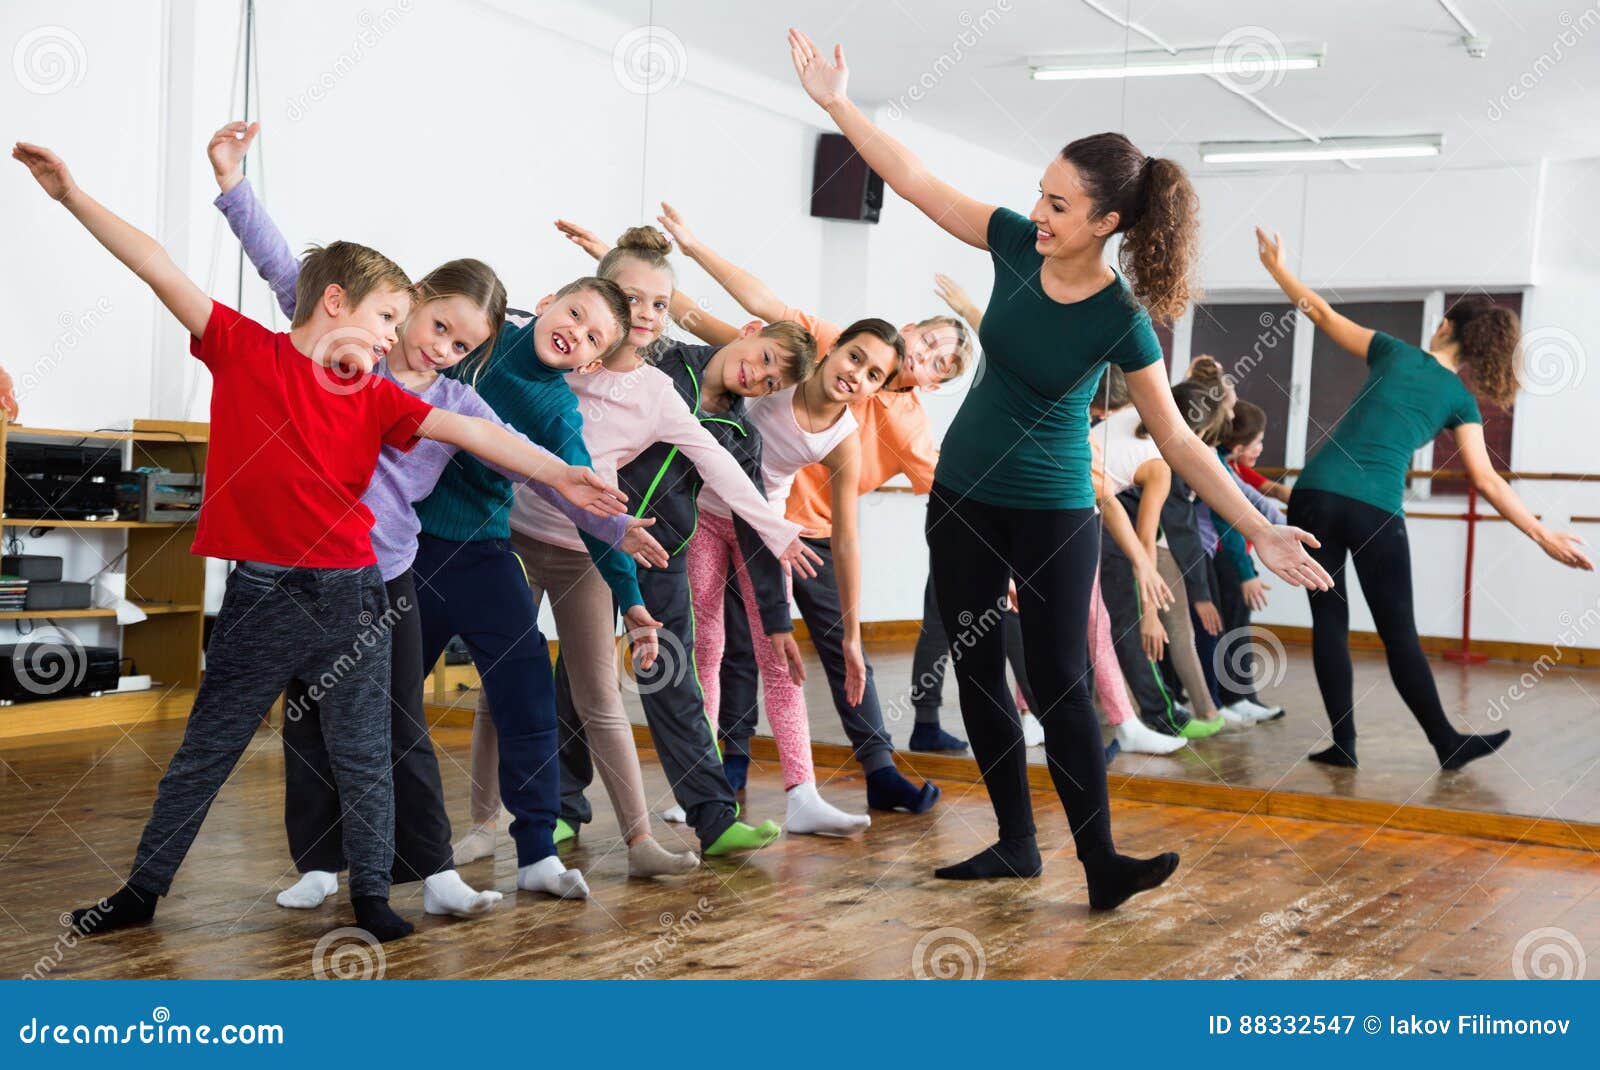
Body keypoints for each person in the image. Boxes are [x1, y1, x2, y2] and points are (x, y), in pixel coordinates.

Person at [15, 141, 616, 940]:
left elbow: (475, 433)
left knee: (365, 753)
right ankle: (141, 893)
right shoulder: (242, 348)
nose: (396, 339)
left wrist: (563, 477)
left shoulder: (377, 399)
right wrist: (71, 196)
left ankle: (373, 896)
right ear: (334, 302)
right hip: (261, 593)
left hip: (353, 592)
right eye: (388, 319)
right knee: (206, 750)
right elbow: (157, 265)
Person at [787, 29, 1332, 908]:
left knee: (1062, 682)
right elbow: (917, 180)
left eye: (1058, 205)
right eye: (1040, 196)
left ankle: (1102, 861)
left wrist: (1259, 525)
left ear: (1107, 223)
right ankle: (1014, 844)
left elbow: (1183, 444)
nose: (1037, 214)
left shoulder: (1123, 318)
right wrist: (839, 106)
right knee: (975, 670)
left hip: (1052, 507)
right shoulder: (1011, 246)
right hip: (963, 494)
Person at [205, 124, 659, 911]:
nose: (445, 346)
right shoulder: (357, 349)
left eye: (462, 342)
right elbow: (288, 270)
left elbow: (536, 461)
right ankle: (319, 861)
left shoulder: (460, 398)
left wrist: (617, 529)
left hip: (400, 566)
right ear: (411, 303)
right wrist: (233, 184)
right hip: (322, 561)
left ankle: (474, 863)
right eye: (438, 327)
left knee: (417, 718)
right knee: (314, 716)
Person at [456, 225, 823, 867]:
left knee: (612, 686)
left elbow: (718, 465)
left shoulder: (662, 391)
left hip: (613, 547)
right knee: (511, 684)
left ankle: (652, 835)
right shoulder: (567, 354)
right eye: (630, 303)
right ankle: (512, 821)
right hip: (512, 533)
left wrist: (775, 526)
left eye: (655, 305)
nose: (644, 316)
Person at [653, 203, 954, 810]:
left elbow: (936, 499)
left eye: (943, 363)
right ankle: (724, 773)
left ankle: (872, 771)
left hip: (800, 534)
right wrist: (680, 256)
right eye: (929, 342)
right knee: (730, 645)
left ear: (933, 382)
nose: (929, 358)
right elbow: (738, 315)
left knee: (823, 648)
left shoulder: (905, 426)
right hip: (739, 519)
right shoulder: (807, 354)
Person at [1256, 227, 1593, 768]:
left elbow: (1318, 313)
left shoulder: (1392, 351)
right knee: (1399, 634)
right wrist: (1542, 533)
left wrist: (1276, 268)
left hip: (1313, 493)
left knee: (1329, 622)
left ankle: (1345, 745)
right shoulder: (1460, 398)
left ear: (1443, 327)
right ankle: (1445, 742)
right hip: (1374, 509)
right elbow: (1486, 480)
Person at [689, 320, 903, 835]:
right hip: (705, 516)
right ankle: (699, 784)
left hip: (765, 531)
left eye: (874, 374)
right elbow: (705, 330)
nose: (857, 374)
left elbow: (847, 541)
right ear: (833, 352)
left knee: (781, 661)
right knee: (707, 646)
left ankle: (802, 795)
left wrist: (852, 635)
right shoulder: (779, 374)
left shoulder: (842, 440)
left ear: (877, 390)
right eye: (855, 357)